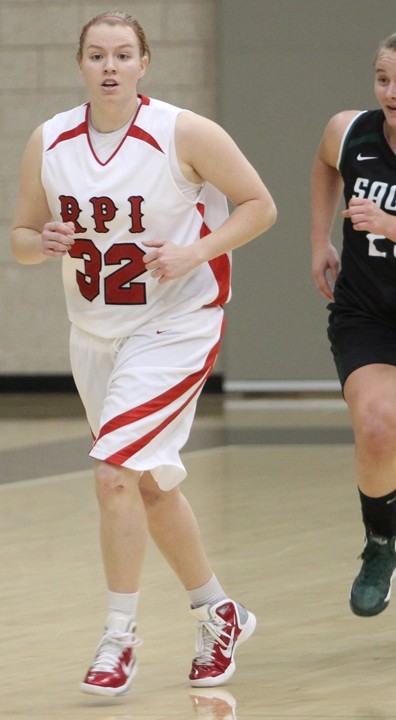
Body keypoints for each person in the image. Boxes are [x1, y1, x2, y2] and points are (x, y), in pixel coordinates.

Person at [10, 10, 276, 697]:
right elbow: (18, 235)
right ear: (80, 65)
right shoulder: (50, 141)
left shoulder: (183, 132)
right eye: (96, 55)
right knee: (152, 484)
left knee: (112, 475)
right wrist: (42, 242)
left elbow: (259, 205)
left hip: (177, 325)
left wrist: (197, 250)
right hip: (95, 334)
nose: (108, 66)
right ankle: (218, 611)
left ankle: (117, 636)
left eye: (122, 55)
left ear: (143, 63)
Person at [310, 32, 396, 619]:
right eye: (383, 78)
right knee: (376, 425)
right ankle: (381, 542)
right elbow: (324, 164)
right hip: (368, 311)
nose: (391, 92)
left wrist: (390, 225)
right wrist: (319, 239)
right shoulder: (351, 130)